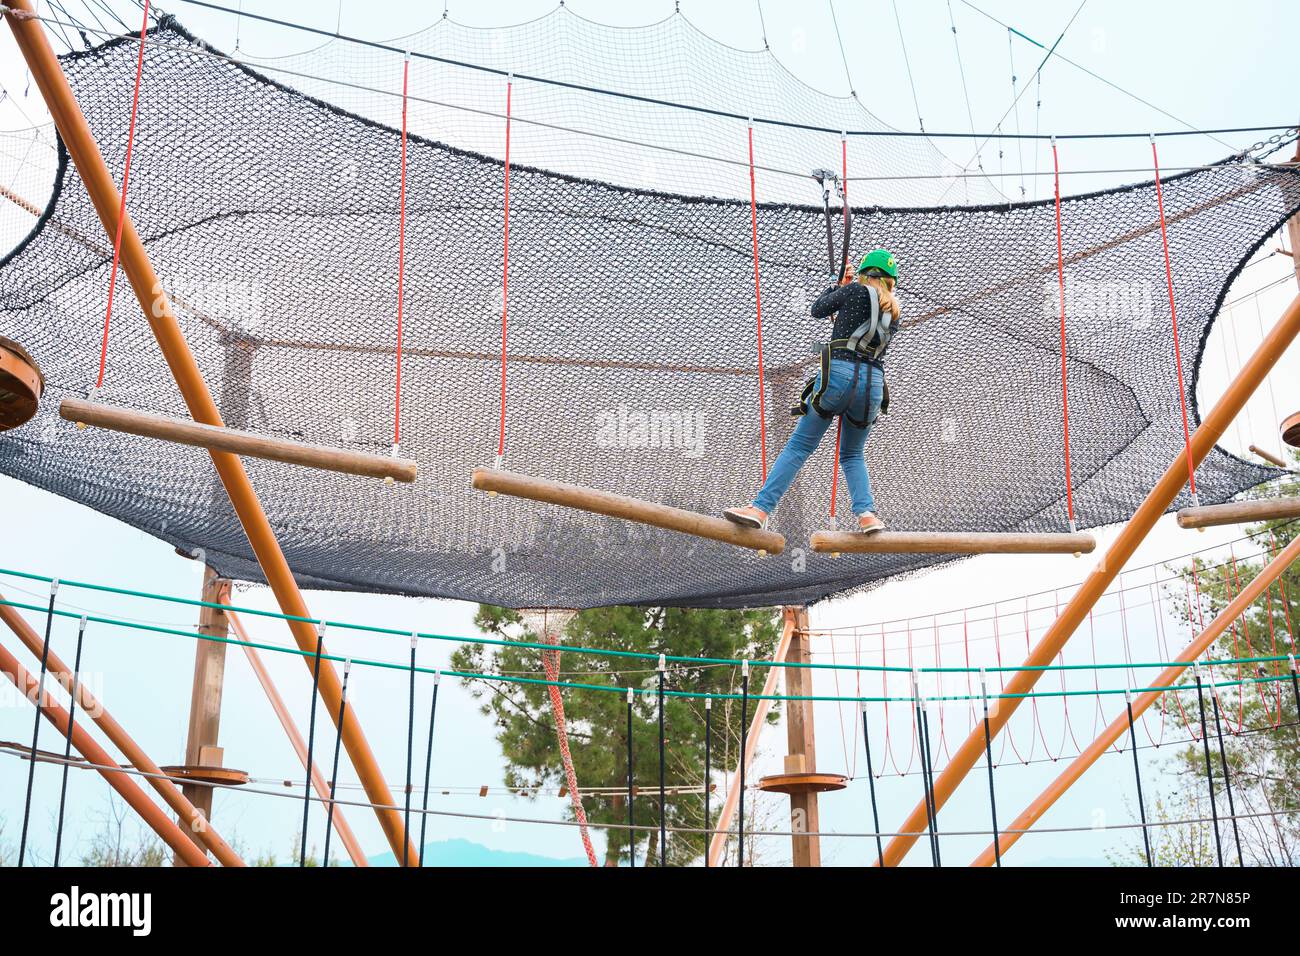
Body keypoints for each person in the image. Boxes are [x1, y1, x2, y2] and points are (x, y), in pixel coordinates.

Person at [724, 248, 900, 533]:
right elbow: (855, 326)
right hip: (872, 387)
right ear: (892, 281)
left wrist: (838, 287)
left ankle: (760, 509)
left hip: (839, 378)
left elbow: (818, 309)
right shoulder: (894, 312)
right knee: (853, 454)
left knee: (800, 446)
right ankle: (867, 514)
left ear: (865, 275)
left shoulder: (854, 291)